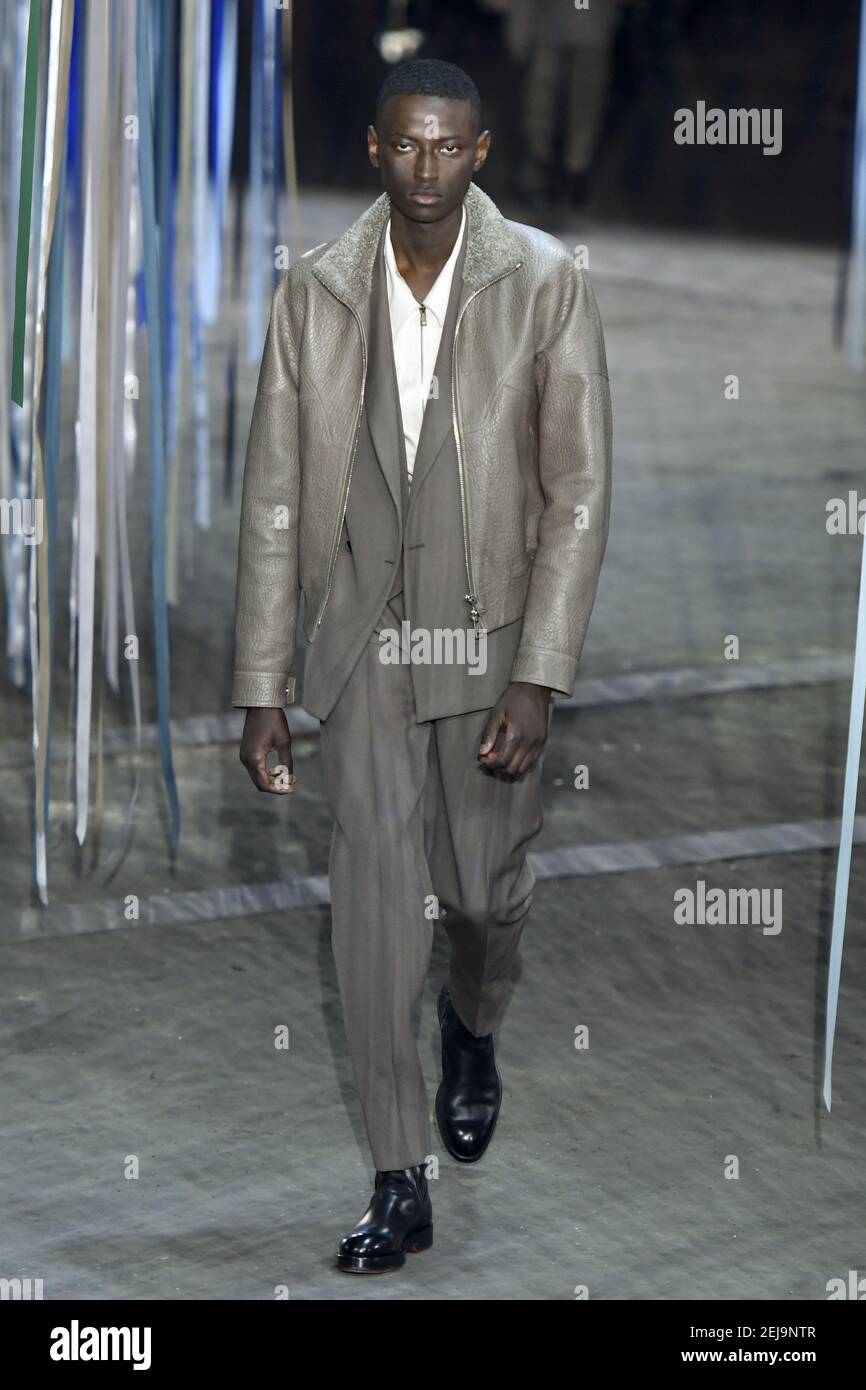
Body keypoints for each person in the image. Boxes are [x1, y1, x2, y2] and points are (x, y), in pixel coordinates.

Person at [232, 58, 612, 1275]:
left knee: (486, 893)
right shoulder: (316, 292)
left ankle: (472, 1020)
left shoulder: (543, 283)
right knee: (378, 910)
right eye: (406, 147)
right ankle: (399, 1175)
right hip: (364, 644)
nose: (426, 170)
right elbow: (275, 497)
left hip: (490, 639)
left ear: (481, 151)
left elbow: (578, 492)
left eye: (449, 148)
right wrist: (261, 681)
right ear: (373, 148)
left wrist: (539, 675)